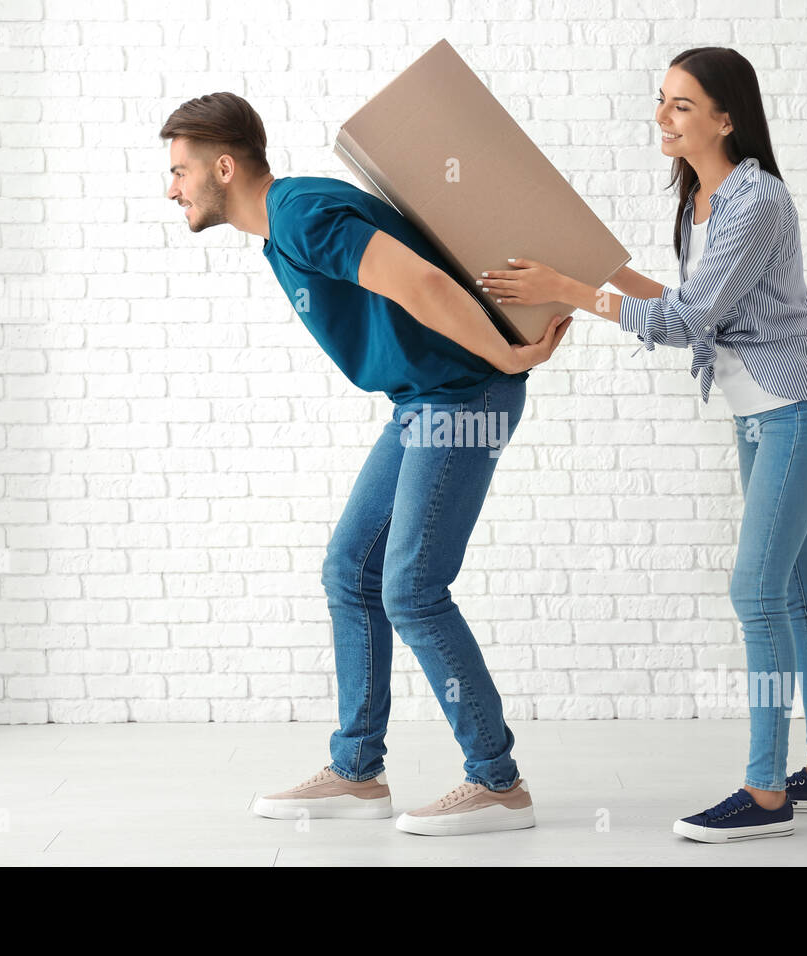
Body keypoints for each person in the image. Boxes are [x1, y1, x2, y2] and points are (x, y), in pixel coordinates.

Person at [159, 92, 572, 836]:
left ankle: (497, 781)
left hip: (462, 394)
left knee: (412, 588)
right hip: (424, 401)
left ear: (223, 166)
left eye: (180, 170)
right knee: (350, 569)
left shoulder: (298, 215)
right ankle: (357, 770)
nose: (172, 188)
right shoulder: (284, 226)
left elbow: (418, 281)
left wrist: (504, 354)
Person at [475, 48, 807, 843]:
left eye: (681, 105)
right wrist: (595, 268)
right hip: (764, 414)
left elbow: (686, 323)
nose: (662, 116)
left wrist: (572, 291)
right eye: (662, 101)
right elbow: (688, 302)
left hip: (794, 409)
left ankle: (764, 795)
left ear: (727, 118)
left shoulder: (755, 201)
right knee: (796, 595)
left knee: (757, 595)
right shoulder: (701, 201)